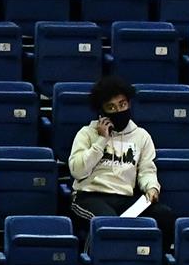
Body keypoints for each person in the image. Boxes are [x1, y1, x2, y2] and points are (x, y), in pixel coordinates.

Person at [68, 75, 170, 236]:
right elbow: (78, 171)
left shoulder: (142, 136)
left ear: (129, 103)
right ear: (102, 111)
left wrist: (151, 187)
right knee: (107, 222)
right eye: (112, 107)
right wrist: (102, 140)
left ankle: (153, 258)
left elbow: (147, 170)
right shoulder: (87, 134)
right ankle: (92, 259)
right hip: (89, 196)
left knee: (164, 215)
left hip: (124, 198)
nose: (119, 111)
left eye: (122, 105)